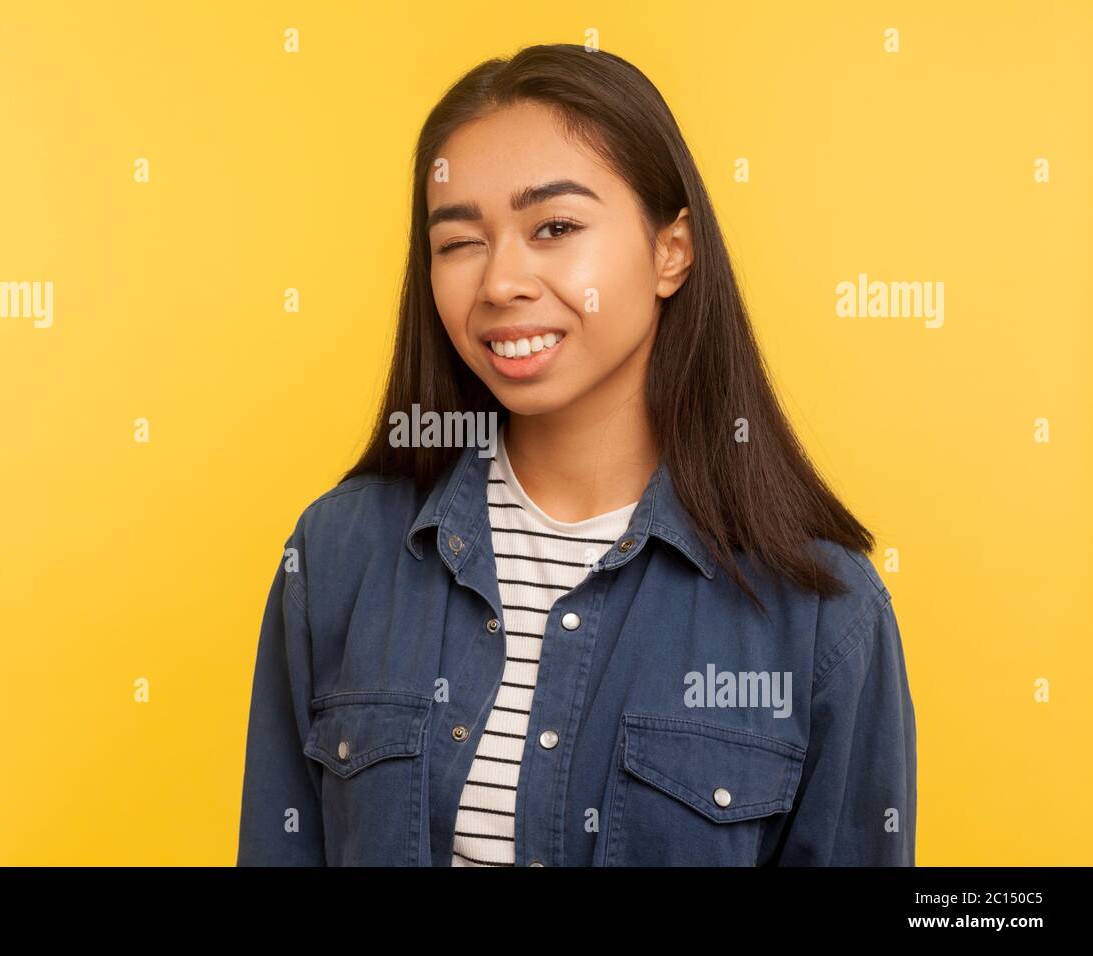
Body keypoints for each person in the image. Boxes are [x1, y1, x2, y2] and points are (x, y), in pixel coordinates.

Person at [237, 43, 916, 866]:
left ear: (673, 251)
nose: (501, 282)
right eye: (459, 242)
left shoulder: (824, 613)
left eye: (554, 227)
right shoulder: (337, 554)